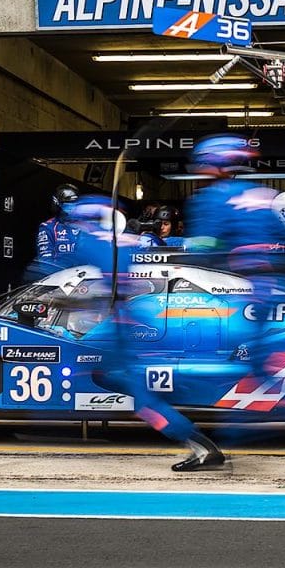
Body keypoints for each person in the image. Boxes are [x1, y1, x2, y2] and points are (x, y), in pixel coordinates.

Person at [69, 194, 224, 472]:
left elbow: (80, 278)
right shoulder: (126, 243)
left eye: (80, 219)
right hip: (127, 322)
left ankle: (200, 446)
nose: (77, 225)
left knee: (141, 400)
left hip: (121, 327)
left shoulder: (94, 243)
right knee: (107, 376)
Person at [36, 183, 81, 267]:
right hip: (60, 276)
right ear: (58, 203)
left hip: (83, 275)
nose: (72, 206)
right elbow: (46, 261)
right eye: (68, 203)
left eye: (74, 203)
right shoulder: (48, 227)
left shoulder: (84, 226)